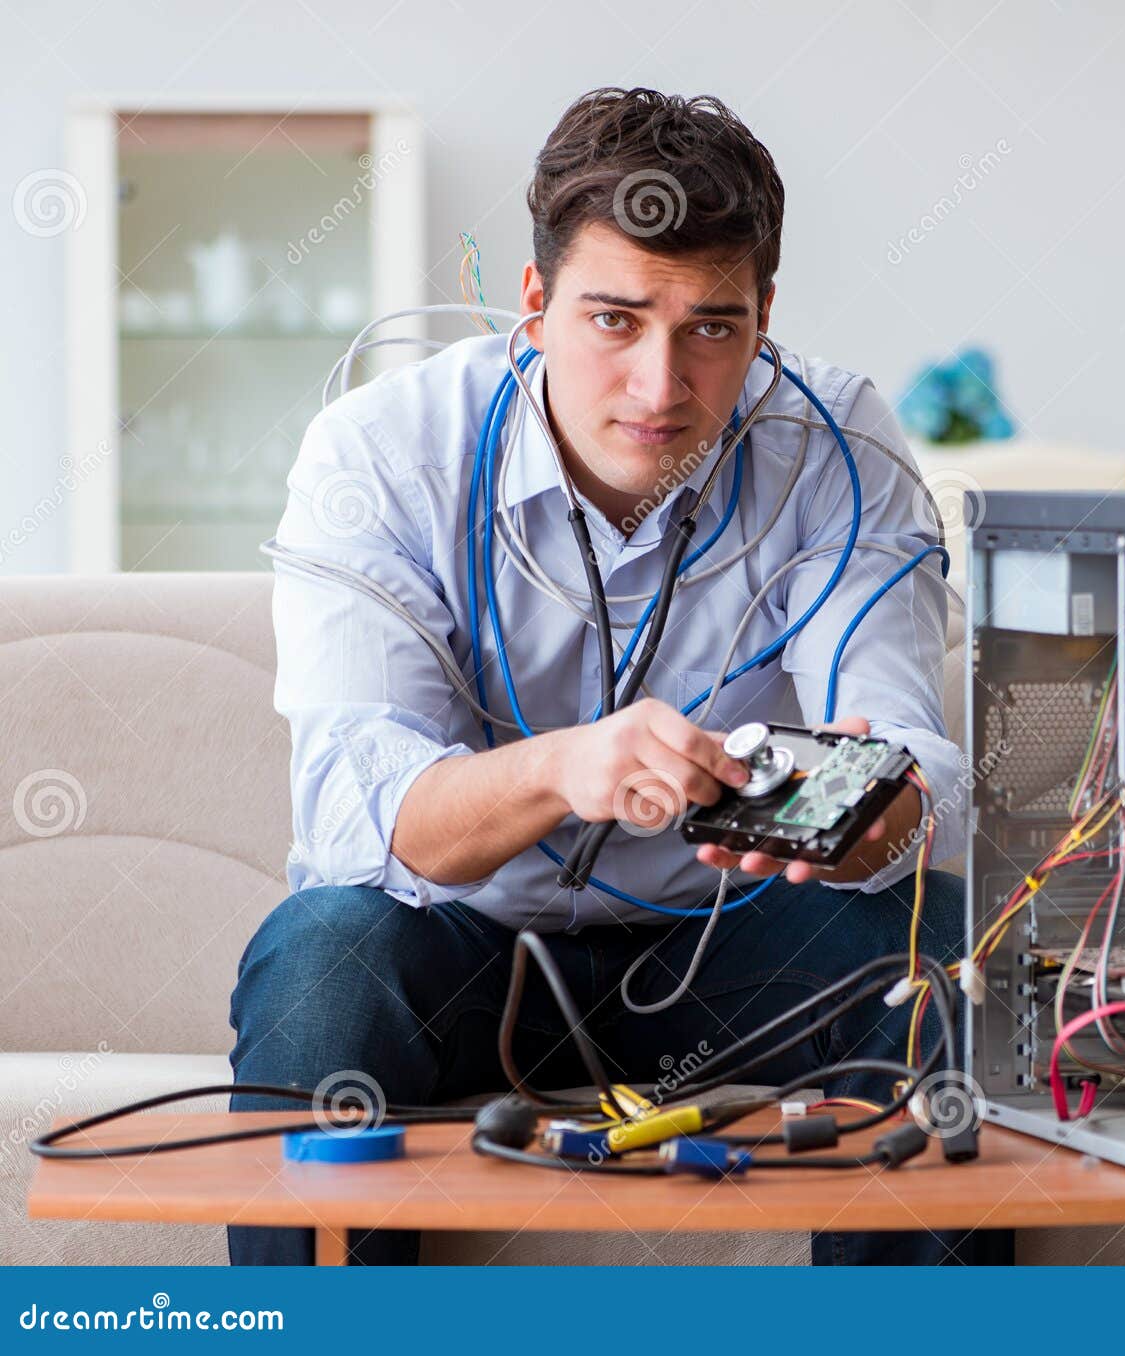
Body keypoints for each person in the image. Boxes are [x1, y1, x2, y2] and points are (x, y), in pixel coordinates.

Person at [229, 86, 1009, 1267]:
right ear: (533, 306)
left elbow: (914, 768)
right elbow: (353, 815)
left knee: (935, 950)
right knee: (322, 955)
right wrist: (560, 768)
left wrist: (860, 813)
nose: (660, 386)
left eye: (711, 327)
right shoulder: (384, 451)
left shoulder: (835, 446)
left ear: (764, 319)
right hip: (465, 949)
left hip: (734, 938)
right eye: (615, 320)